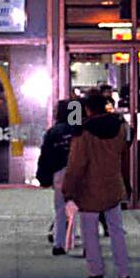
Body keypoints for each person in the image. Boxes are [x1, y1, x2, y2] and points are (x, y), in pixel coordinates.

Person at [62, 91, 132, 278]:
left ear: (88, 109)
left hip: (89, 188)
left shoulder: (83, 132)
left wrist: (68, 191)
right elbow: (124, 155)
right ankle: (123, 271)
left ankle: (96, 272)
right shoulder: (120, 128)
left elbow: (76, 165)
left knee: (90, 233)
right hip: (113, 185)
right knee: (117, 230)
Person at [37, 98, 82, 255]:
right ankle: (84, 240)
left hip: (59, 172)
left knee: (60, 208)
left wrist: (43, 176)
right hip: (79, 172)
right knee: (82, 208)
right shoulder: (79, 130)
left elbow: (46, 156)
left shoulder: (53, 132)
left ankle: (59, 243)